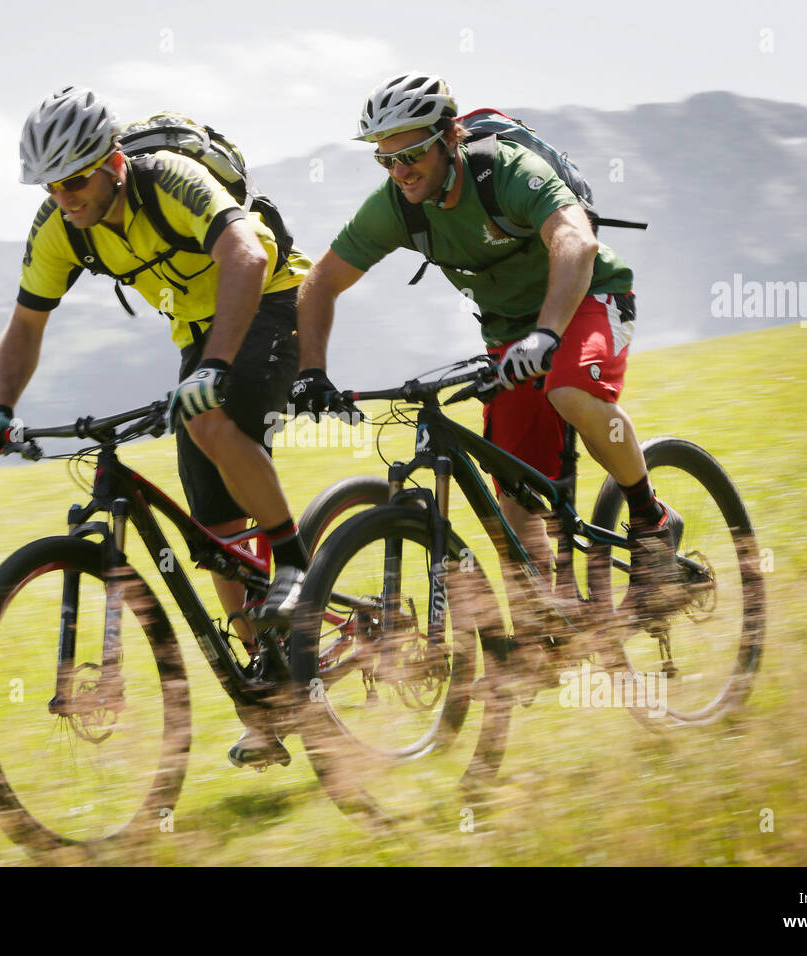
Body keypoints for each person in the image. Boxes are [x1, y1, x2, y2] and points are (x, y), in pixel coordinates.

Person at [291, 72, 686, 686]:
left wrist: (549, 333)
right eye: (384, 158)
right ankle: (545, 621)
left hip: (586, 298)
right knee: (514, 493)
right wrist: (311, 372)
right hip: (508, 333)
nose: (400, 170)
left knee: (566, 389)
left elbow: (575, 241)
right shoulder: (396, 205)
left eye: (412, 153)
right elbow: (321, 282)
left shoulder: (503, 170)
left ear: (449, 137)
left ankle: (650, 517)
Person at [0, 87, 311, 767]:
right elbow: (27, 323)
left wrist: (212, 365)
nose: (65, 197)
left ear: (112, 162)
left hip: (267, 297)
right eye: (50, 185)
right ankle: (271, 694)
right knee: (213, 528)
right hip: (197, 329)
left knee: (211, 425)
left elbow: (245, 255)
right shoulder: (58, 226)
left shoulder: (170, 181)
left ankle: (296, 565)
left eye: (75, 179)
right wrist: (0, 407)